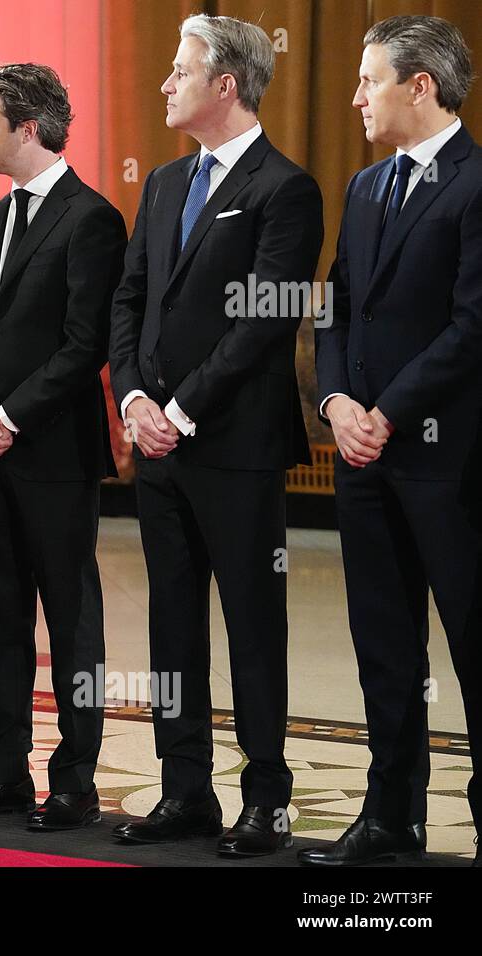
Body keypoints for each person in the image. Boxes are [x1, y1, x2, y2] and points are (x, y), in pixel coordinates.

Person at [108, 14, 323, 857]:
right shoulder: (163, 183)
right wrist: (131, 398)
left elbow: (265, 322)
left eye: (178, 70)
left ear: (224, 85)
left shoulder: (285, 188)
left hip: (232, 446)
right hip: (156, 446)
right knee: (171, 626)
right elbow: (130, 300)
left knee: (252, 624)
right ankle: (183, 791)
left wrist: (183, 409)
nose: (166, 83)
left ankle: (266, 799)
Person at [308, 15, 482, 867]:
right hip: (364, 459)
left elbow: (473, 324)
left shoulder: (479, 184)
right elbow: (338, 304)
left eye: (369, 80)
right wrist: (338, 399)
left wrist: (390, 411)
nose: (356, 98)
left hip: (451, 465)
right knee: (383, 643)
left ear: (421, 85)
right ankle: (390, 816)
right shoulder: (366, 187)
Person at [0, 63, 126, 830]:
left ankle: (74, 783)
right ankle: (3, 776)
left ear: (27, 128)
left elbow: (86, 347)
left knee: (71, 621)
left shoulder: (93, 219)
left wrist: (9, 417)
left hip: (53, 456)